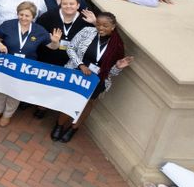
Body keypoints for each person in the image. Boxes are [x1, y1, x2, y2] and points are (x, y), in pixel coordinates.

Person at [54, 12, 134, 143]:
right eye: (98, 24)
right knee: (71, 100)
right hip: (77, 72)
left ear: (113, 27)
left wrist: (119, 66)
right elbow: (71, 48)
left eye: (105, 26)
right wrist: (81, 65)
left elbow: (111, 73)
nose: (101, 28)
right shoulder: (87, 31)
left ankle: (74, 128)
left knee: (87, 104)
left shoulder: (117, 45)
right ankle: (59, 125)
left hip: (97, 80)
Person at [0, 2, 53, 127]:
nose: (23, 18)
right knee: (1, 88)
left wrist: (55, 42)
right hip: (7, 64)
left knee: (16, 91)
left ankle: (7, 115)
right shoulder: (8, 25)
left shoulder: (39, 30)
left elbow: (52, 46)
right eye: (21, 14)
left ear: (33, 17)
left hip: (25, 67)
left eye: (27, 16)